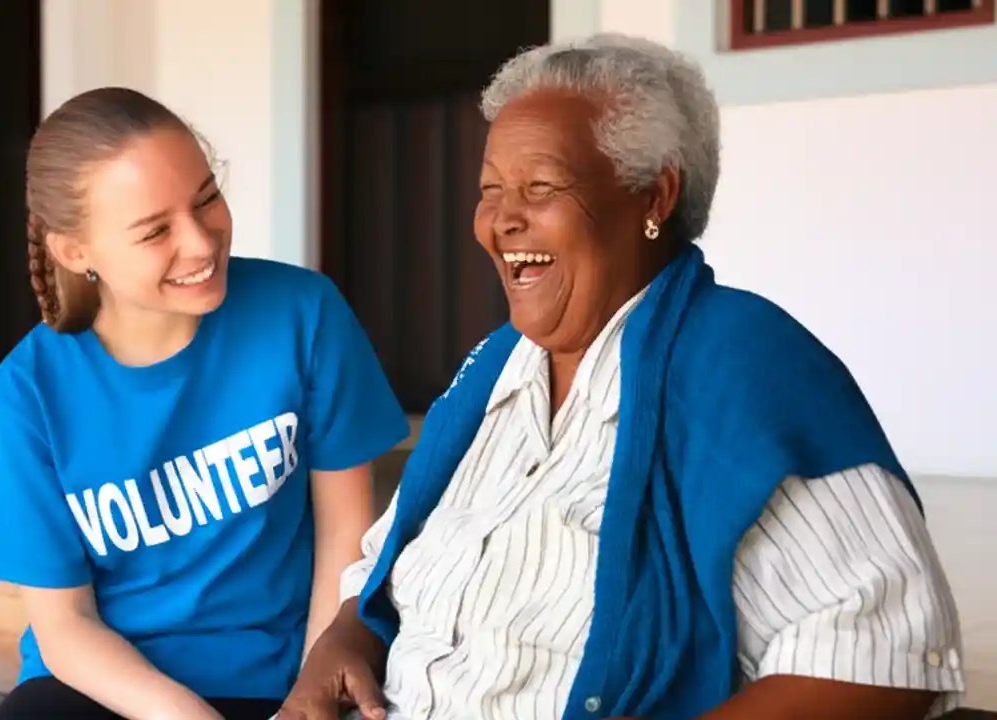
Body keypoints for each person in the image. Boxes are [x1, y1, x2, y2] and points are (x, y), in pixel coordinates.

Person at [279, 34, 965, 720]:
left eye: (541, 187)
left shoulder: (743, 366)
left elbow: (883, 661)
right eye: (491, 190)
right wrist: (345, 641)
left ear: (655, 197)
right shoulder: (496, 369)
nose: (501, 221)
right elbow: (386, 567)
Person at [0, 87, 408, 720]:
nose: (202, 244)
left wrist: (311, 694)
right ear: (75, 251)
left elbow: (346, 539)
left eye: (206, 199)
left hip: (279, 681)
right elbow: (63, 625)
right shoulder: (28, 395)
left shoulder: (302, 315)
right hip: (110, 688)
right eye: (155, 231)